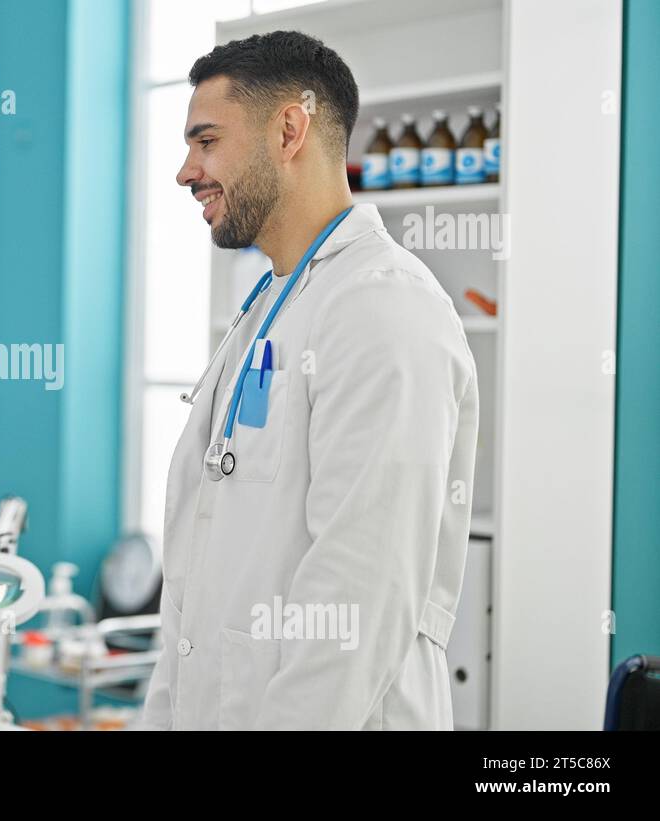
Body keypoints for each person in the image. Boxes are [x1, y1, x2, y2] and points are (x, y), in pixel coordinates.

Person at [139, 31, 479, 730]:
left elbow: (357, 599)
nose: (185, 170)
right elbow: (196, 599)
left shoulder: (385, 308)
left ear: (289, 129)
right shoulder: (271, 306)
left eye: (206, 141)